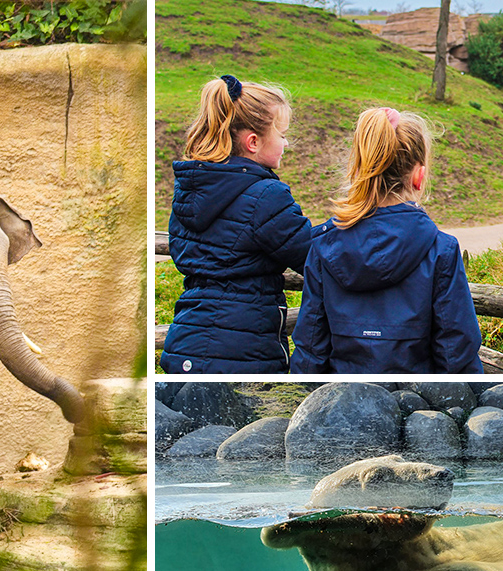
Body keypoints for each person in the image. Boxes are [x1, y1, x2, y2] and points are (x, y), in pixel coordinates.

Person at [290, 107, 483, 374]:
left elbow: (311, 348)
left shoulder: (324, 246)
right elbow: (456, 351)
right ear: (419, 176)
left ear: (359, 167)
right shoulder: (441, 250)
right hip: (418, 406)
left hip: (339, 403)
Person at [160, 74, 313, 374]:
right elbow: (314, 256)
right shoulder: (265, 196)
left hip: (185, 343)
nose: (286, 142)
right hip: (242, 355)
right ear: (253, 142)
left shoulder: (191, 189)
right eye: (281, 134)